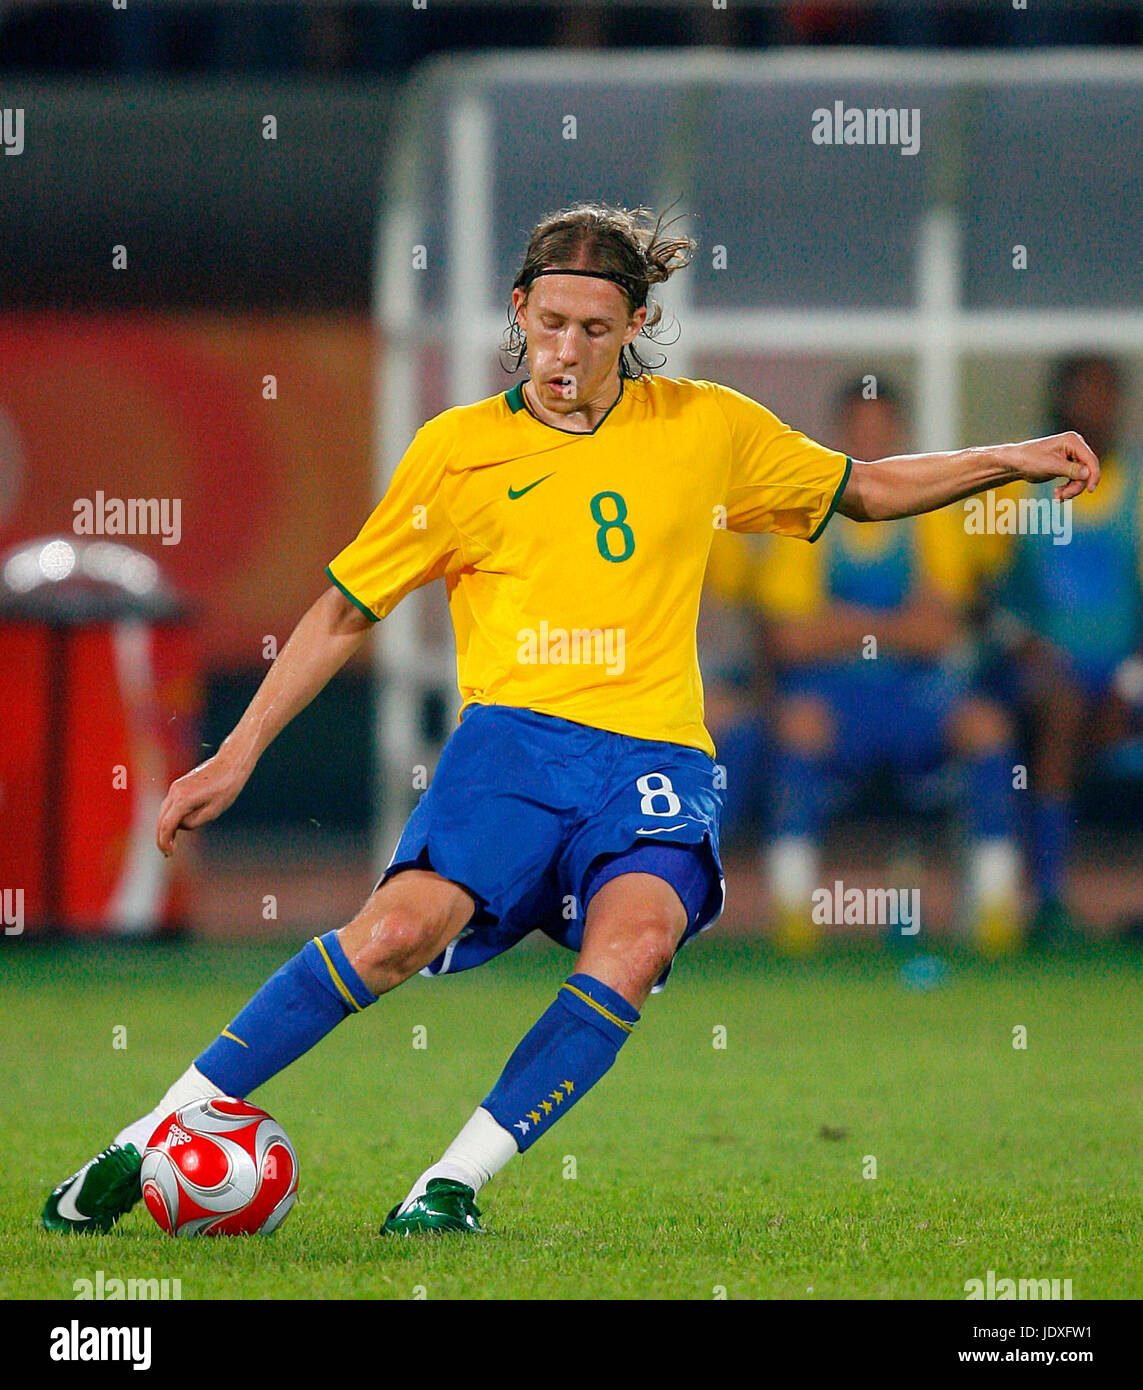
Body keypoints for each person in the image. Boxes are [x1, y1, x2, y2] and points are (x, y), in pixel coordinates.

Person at [41, 202, 1101, 1237]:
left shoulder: (704, 427)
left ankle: (447, 1185)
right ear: (518, 312)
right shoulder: (458, 453)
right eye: (549, 324)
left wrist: (1006, 458)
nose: (566, 349)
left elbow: (862, 488)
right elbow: (342, 610)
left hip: (655, 755)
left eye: (595, 329)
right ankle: (146, 1134)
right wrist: (238, 751)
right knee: (399, 934)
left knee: (633, 946)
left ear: (634, 328)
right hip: (512, 747)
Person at [760, 378, 1023, 954]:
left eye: (883, 431)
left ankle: (996, 911)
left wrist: (838, 623)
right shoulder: (804, 507)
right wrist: (897, 626)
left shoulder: (933, 510)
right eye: (859, 432)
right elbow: (788, 639)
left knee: (987, 726)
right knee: (797, 724)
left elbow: (944, 631)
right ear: (838, 439)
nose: (872, 444)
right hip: (838, 702)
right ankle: (793, 913)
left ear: (902, 436)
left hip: (918, 700)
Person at [983, 354, 1142, 943]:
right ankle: (1048, 903)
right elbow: (983, 602)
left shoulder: (1137, 492)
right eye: (1076, 398)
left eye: (1099, 397)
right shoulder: (1019, 491)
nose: (1087, 410)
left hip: (1125, 674)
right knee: (1060, 707)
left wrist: (1128, 686)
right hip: (1040, 675)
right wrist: (1020, 643)